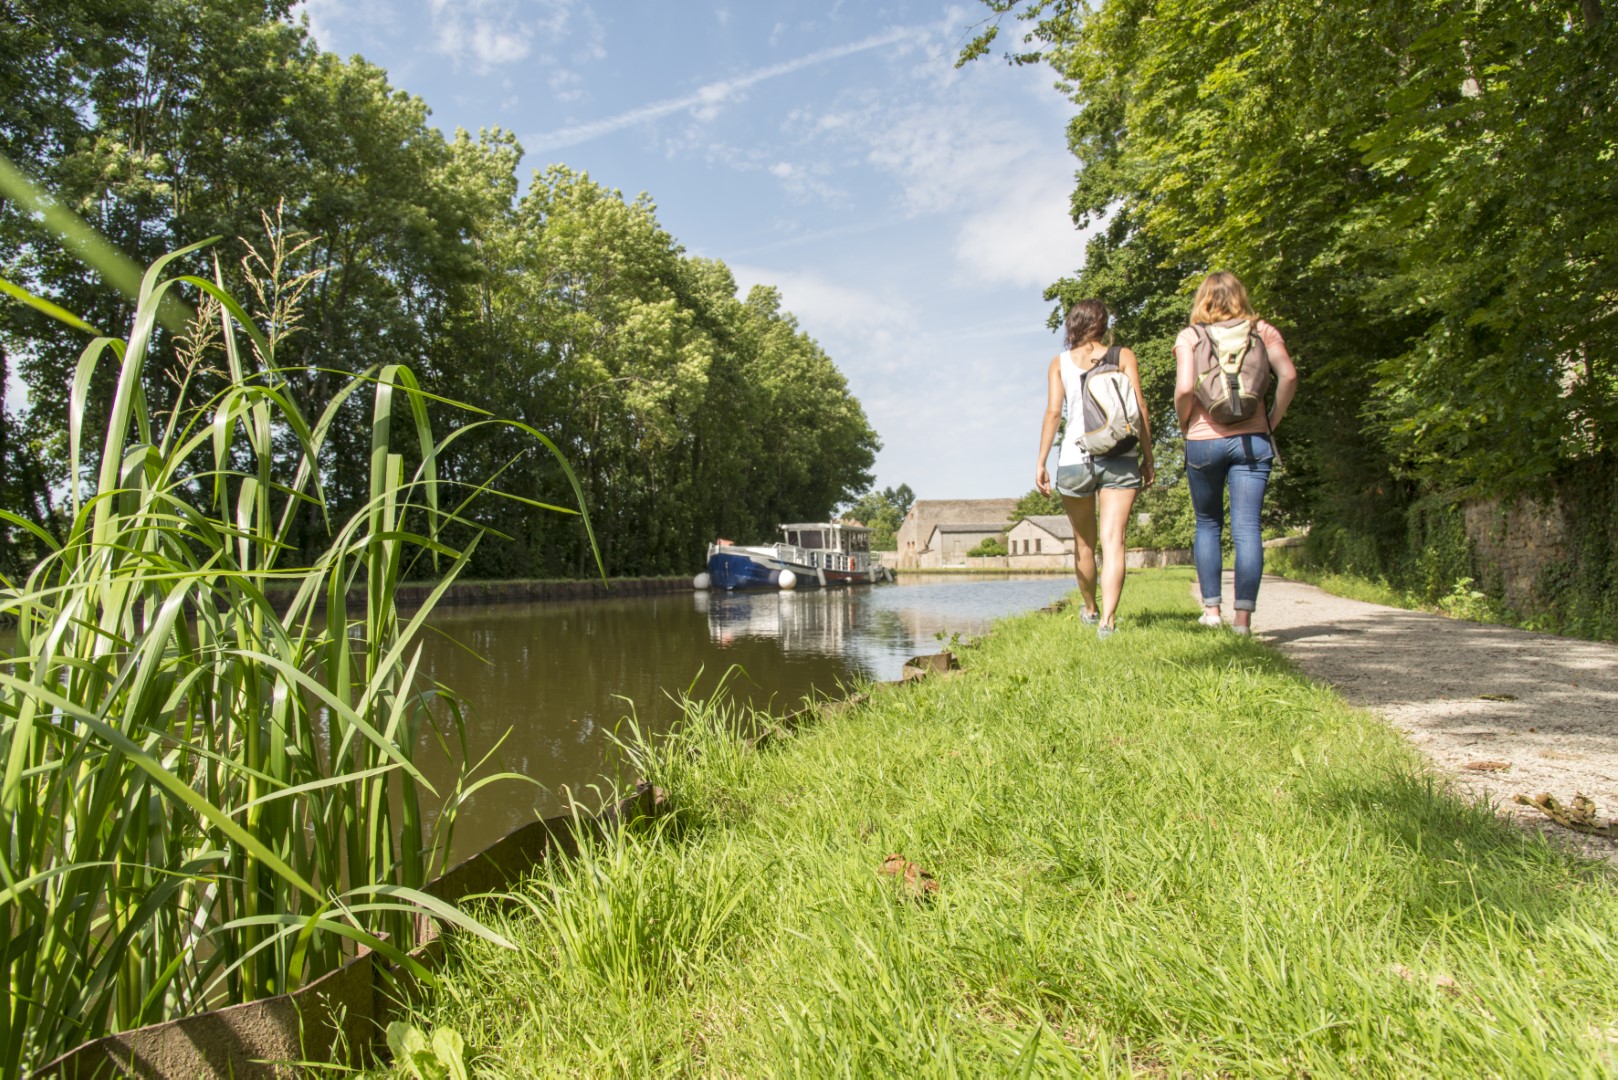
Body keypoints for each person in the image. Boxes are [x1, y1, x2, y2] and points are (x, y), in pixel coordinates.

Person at [1173, 271, 1298, 635]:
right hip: (1253, 440)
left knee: (1207, 523)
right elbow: (1289, 376)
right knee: (1247, 528)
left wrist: (1185, 424)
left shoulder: (1191, 336)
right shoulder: (1263, 331)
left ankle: (1212, 613)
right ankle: (1243, 620)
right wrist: (1272, 418)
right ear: (1240, 296)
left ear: (1203, 300)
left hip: (1203, 440)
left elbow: (1184, 389)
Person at [1035, 299, 1154, 638]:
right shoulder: (1122, 356)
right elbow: (1139, 408)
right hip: (1120, 454)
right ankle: (1108, 622)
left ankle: (1090, 610)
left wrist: (1041, 461)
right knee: (1114, 541)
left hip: (1075, 459)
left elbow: (1053, 413)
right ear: (1103, 324)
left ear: (1072, 325)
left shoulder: (1059, 363)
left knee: (1084, 544)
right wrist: (1148, 458)